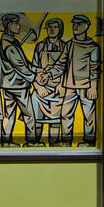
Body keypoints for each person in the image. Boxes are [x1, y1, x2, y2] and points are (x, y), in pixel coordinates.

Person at [59, 14, 100, 145]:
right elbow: (61, 63)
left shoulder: (93, 47)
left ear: (87, 26)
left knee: (89, 116)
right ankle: (66, 140)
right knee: (66, 114)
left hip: (86, 86)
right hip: (69, 85)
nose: (75, 27)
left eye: (79, 24)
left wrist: (93, 86)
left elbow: (95, 68)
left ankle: (89, 140)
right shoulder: (69, 44)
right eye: (74, 24)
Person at [0, 13, 36, 145]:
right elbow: (21, 66)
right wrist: (34, 77)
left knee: (9, 115)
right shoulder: (9, 45)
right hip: (18, 85)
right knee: (29, 114)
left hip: (8, 85)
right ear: (8, 25)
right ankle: (31, 141)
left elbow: (24, 63)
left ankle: (6, 141)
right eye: (16, 23)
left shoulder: (9, 41)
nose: (19, 26)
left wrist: (36, 70)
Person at [30, 17, 68, 146]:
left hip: (58, 89)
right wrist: (37, 86)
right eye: (49, 27)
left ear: (60, 29)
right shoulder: (40, 46)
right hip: (40, 88)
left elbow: (67, 69)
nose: (52, 30)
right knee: (35, 118)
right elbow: (33, 69)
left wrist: (62, 85)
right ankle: (34, 143)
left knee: (56, 121)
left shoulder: (65, 47)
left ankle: (54, 144)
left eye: (55, 27)